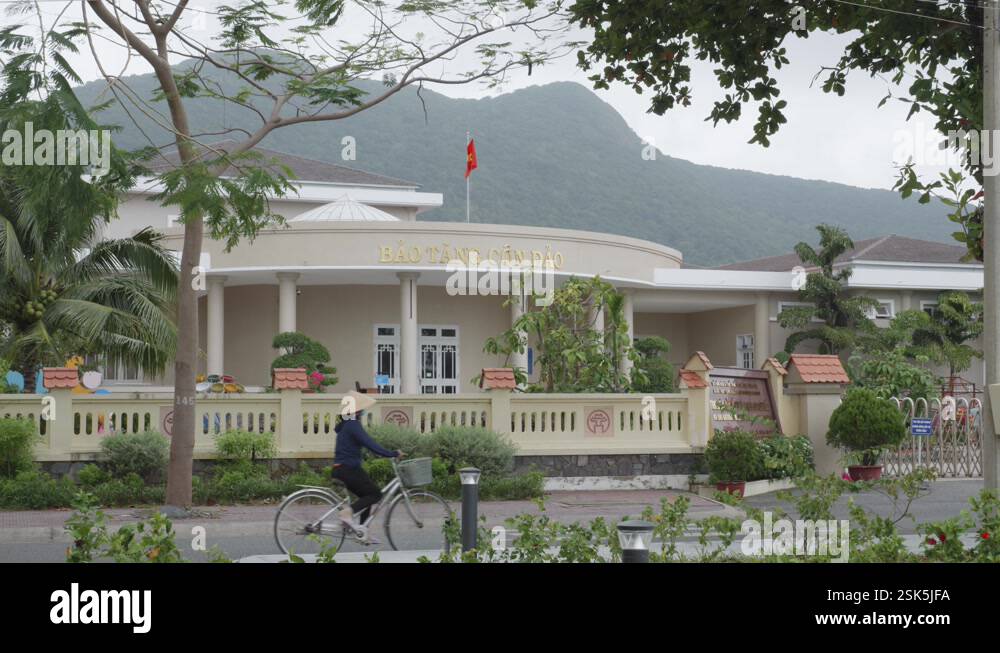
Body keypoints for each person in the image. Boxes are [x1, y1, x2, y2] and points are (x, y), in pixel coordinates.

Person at [332, 391, 403, 541]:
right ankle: (347, 513)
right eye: (361, 409)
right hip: (348, 469)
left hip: (341, 469)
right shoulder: (353, 424)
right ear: (355, 411)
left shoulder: (345, 425)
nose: (362, 412)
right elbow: (370, 444)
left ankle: (362, 531)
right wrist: (392, 453)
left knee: (367, 495)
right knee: (375, 494)